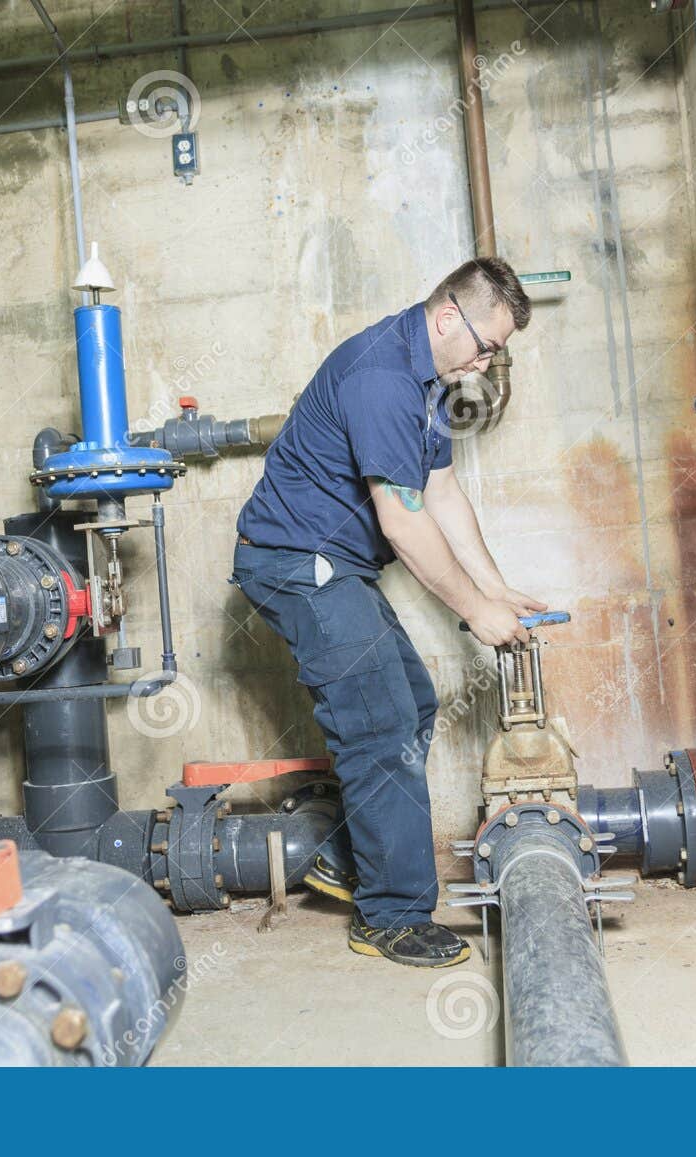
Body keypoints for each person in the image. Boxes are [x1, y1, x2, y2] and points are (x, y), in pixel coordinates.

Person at [231, 257, 544, 968]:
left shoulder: (428, 383)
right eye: (487, 344)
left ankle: (356, 859)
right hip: (295, 562)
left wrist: (494, 590)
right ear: (445, 317)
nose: (489, 361)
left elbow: (440, 493)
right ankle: (391, 915)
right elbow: (403, 525)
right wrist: (474, 614)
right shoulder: (381, 378)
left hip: (333, 564)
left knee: (410, 704)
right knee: (382, 723)